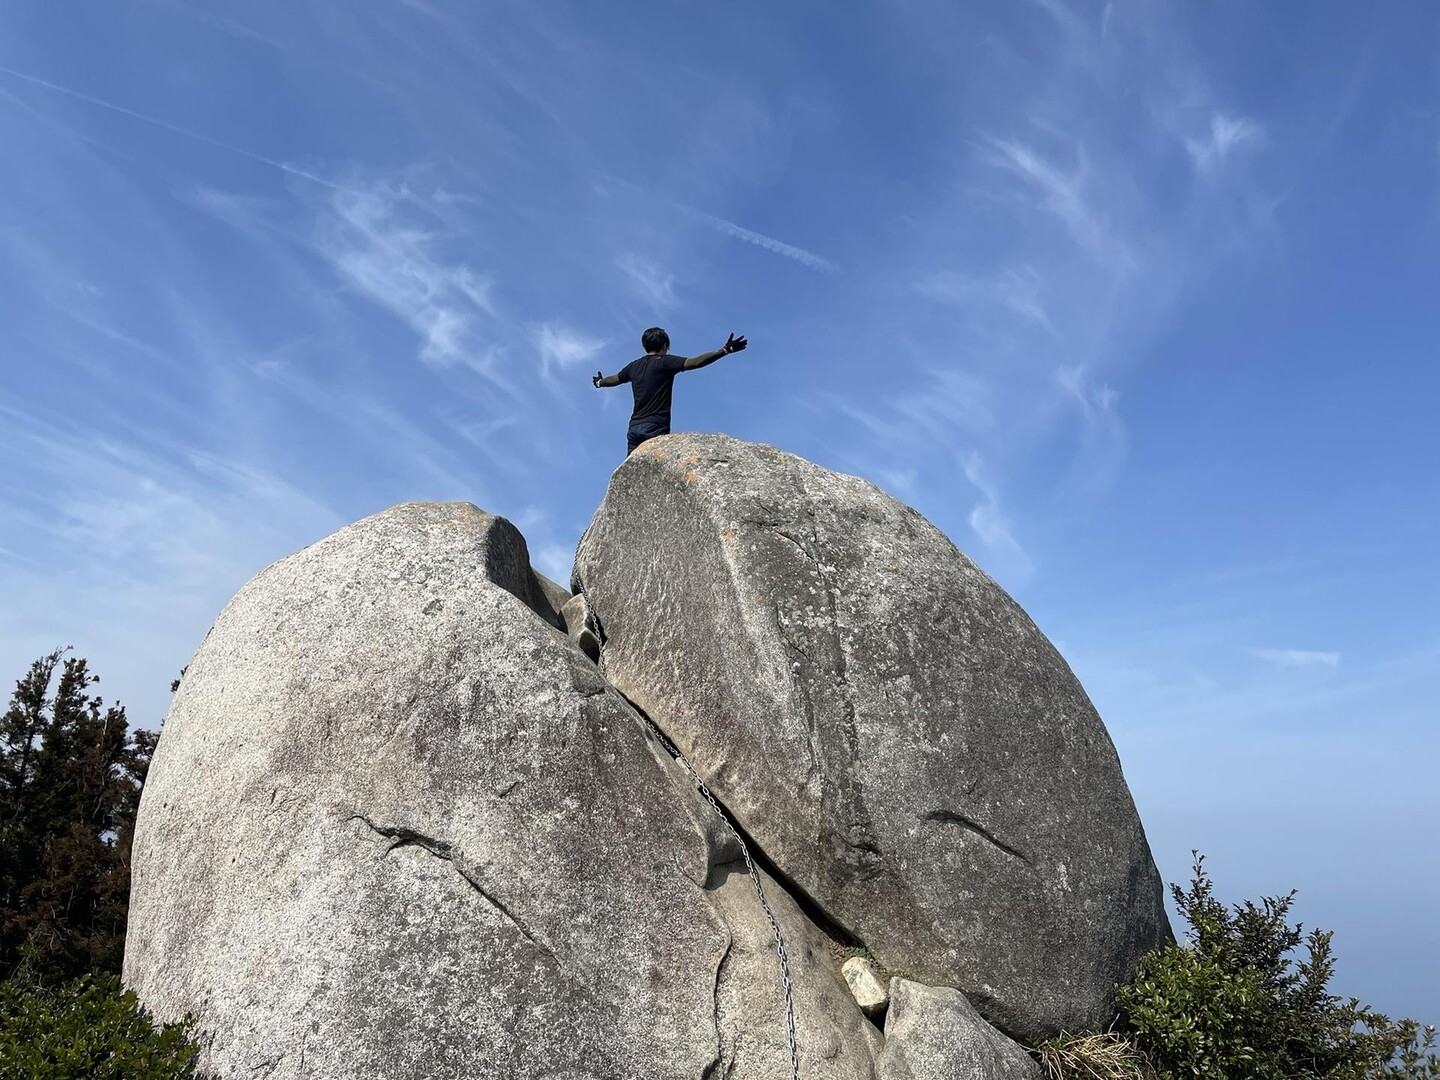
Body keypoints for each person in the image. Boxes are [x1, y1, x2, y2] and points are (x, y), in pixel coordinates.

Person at [592, 327, 748, 455]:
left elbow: (614, 379)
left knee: (633, 470)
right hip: (655, 427)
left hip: (634, 428)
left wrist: (600, 382)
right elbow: (695, 362)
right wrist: (724, 350)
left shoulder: (633, 366)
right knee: (656, 471)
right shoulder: (665, 362)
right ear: (665, 345)